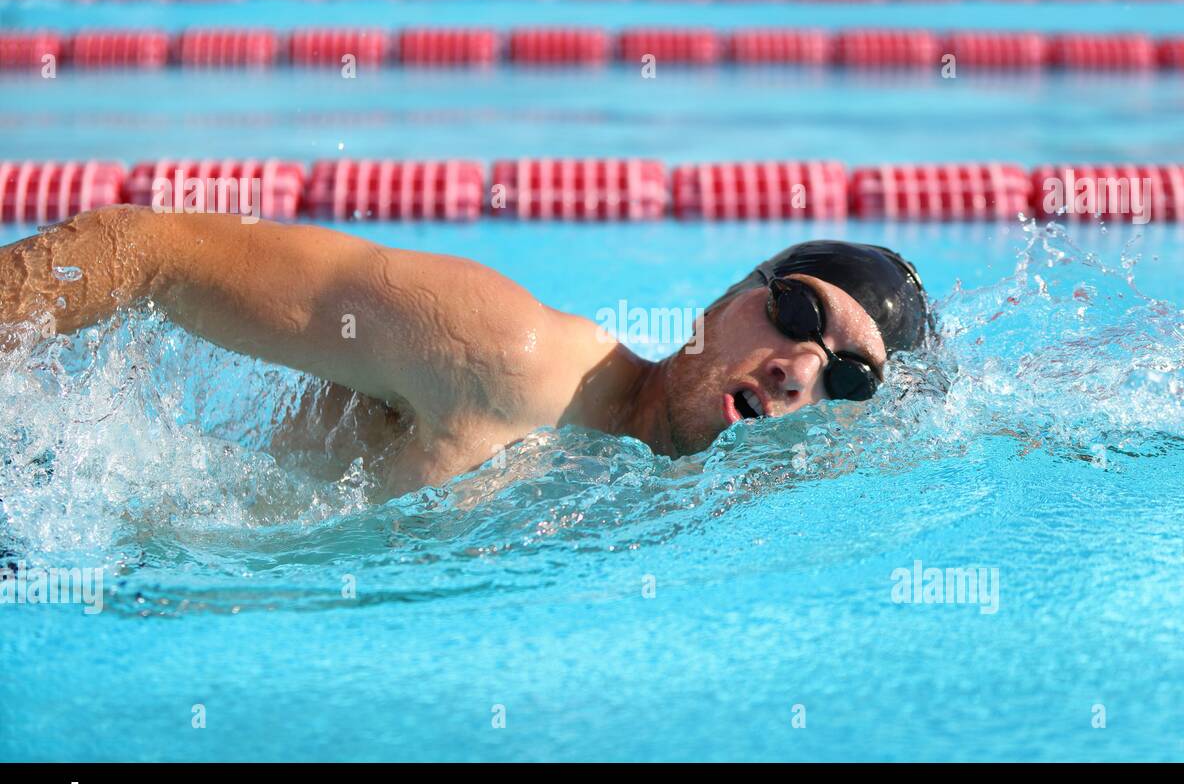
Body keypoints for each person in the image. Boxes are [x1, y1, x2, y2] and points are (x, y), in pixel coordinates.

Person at [0, 206, 931, 494]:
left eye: (848, 379)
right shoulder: (505, 355)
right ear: (737, 294)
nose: (801, 368)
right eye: (801, 317)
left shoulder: (744, 497)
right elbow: (142, 251)